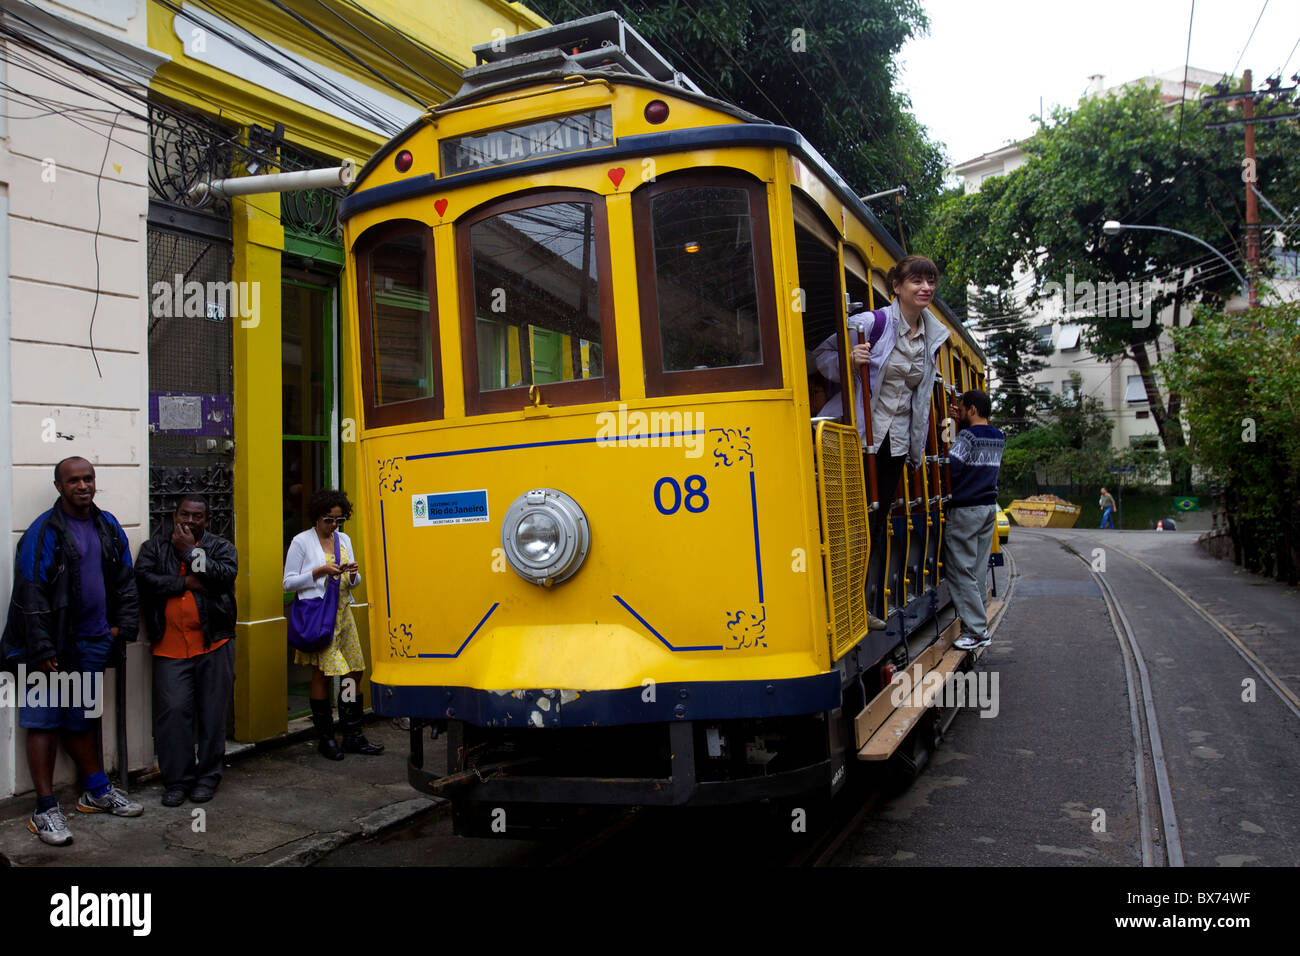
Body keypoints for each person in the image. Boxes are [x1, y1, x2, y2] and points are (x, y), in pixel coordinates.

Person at [0, 456, 143, 845]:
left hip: (93, 642)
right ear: (59, 486)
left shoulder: (107, 524)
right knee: (43, 722)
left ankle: (95, 791)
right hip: (52, 647)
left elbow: (125, 581)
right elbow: (30, 591)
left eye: (88, 478)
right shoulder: (43, 531)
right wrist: (42, 647)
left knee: (81, 718)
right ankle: (44, 810)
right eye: (74, 480)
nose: (83, 485)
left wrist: (121, 628)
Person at [814, 255, 951, 627]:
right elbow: (821, 355)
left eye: (930, 281)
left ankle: (856, 606)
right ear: (897, 287)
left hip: (895, 443)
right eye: (916, 281)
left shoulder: (932, 336)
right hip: (857, 436)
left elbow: (920, 396)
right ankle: (828, 605)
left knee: (874, 523)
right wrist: (848, 359)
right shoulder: (869, 323)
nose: (925, 288)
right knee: (845, 520)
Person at [135, 495, 237, 806]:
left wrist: (190, 552)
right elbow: (144, 580)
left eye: (197, 516)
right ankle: (177, 781)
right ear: (174, 515)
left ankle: (207, 778)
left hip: (213, 643)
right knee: (174, 714)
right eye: (184, 514)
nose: (190, 521)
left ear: (207, 520)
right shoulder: (154, 547)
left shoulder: (221, 547)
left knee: (212, 715)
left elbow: (223, 577)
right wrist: (185, 583)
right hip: (170, 647)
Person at [283, 489, 382, 760]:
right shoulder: (302, 541)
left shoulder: (344, 539)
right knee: (322, 674)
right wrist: (319, 572)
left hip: (343, 615)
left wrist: (354, 574)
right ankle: (326, 738)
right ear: (317, 517)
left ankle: (352, 734)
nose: (334, 525)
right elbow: (288, 583)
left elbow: (354, 583)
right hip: (320, 616)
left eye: (339, 520)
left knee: (354, 672)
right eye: (329, 520)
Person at [944, 391, 1005, 650]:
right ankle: (979, 628)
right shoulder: (998, 436)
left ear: (971, 410)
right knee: (978, 571)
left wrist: (951, 431)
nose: (959, 413)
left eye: (961, 409)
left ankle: (976, 632)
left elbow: (952, 467)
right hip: (988, 509)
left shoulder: (966, 437)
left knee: (961, 571)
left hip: (965, 510)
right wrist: (959, 423)